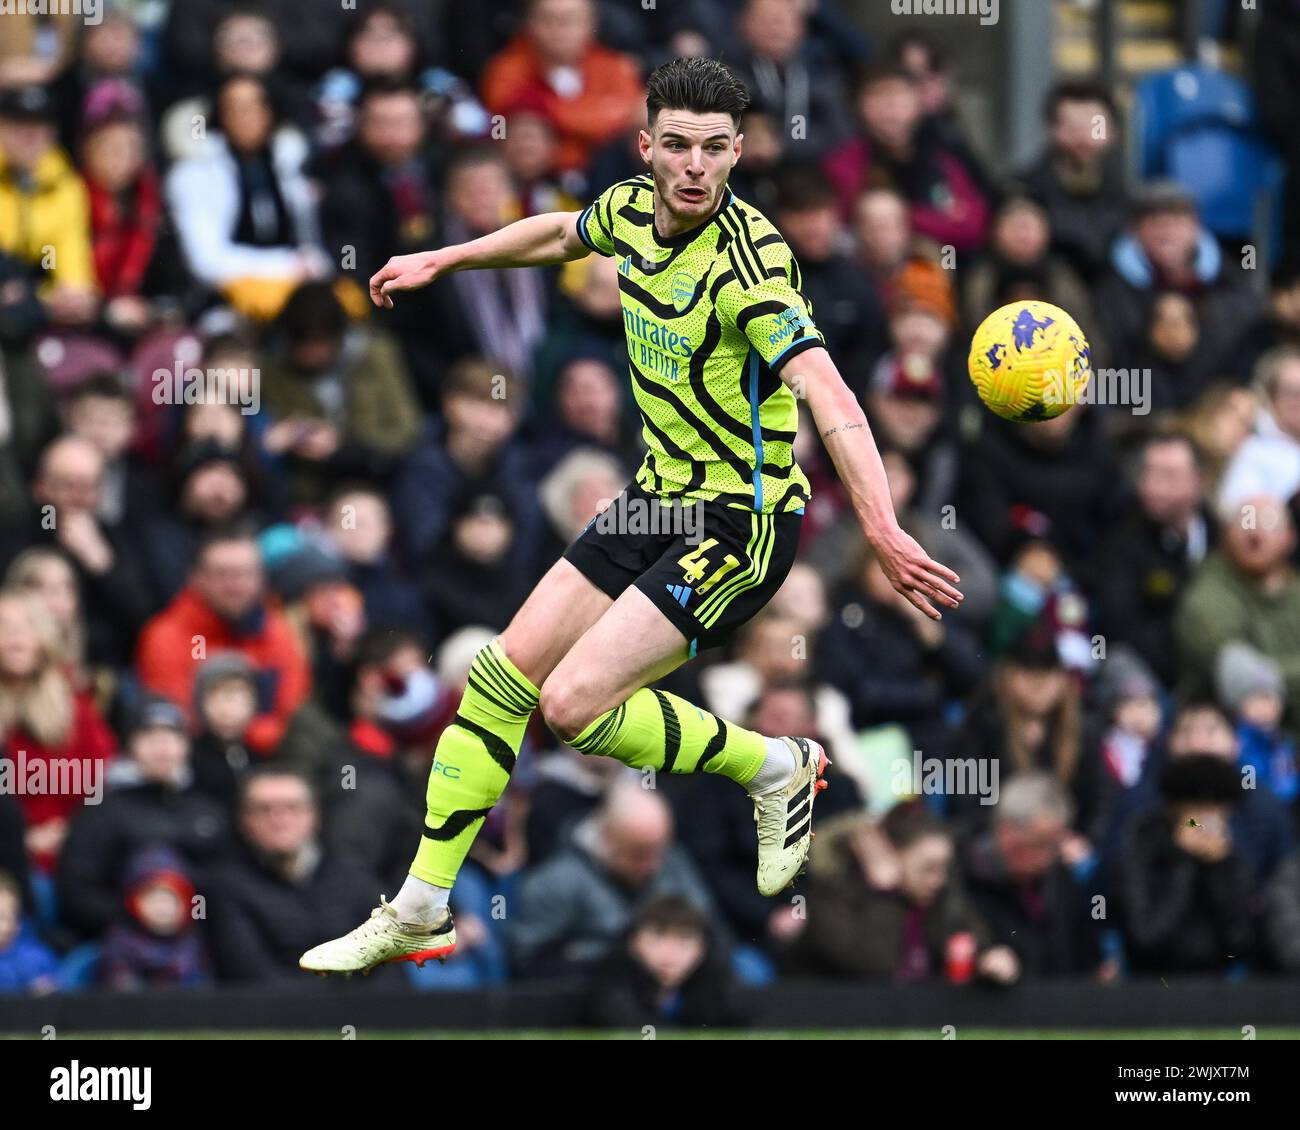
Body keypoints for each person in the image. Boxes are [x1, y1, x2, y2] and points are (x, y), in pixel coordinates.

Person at [300, 57, 962, 976]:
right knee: (500, 678)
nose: (695, 166)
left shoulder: (751, 267)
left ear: (738, 155)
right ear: (647, 145)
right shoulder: (629, 207)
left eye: (716, 150)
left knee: (571, 707)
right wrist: (447, 257)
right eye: (679, 146)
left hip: (743, 520)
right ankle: (420, 907)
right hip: (658, 496)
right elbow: (562, 234)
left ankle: (773, 767)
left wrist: (884, 526)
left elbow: (830, 392)